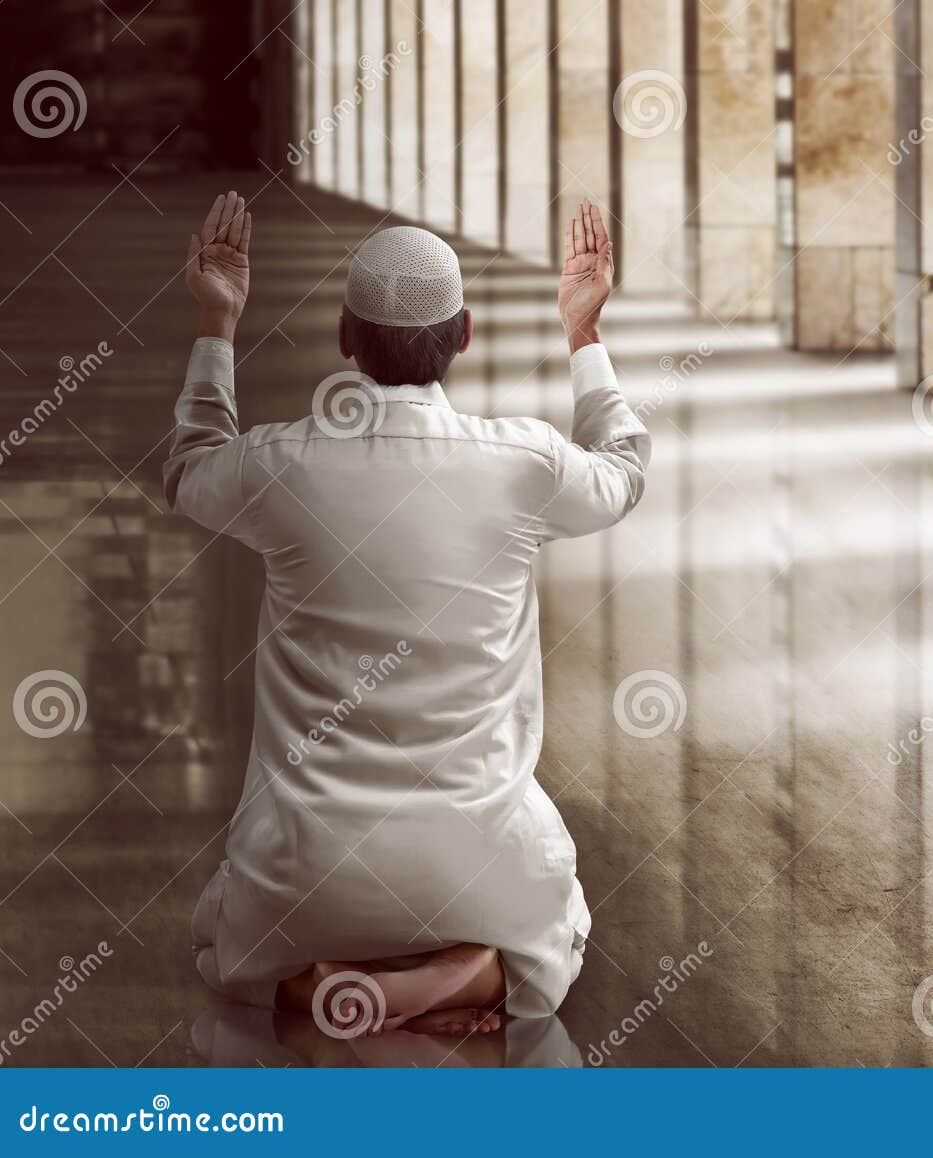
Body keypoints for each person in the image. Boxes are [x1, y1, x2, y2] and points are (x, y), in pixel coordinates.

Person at [167, 191, 648, 1035]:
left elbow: (190, 465)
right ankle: (462, 976)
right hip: (481, 866)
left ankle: (320, 982)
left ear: (345, 339)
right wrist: (583, 330)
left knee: (220, 949)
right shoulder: (523, 462)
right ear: (462, 336)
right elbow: (624, 468)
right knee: (559, 932)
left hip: (303, 871)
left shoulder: (282, 464)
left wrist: (217, 320)